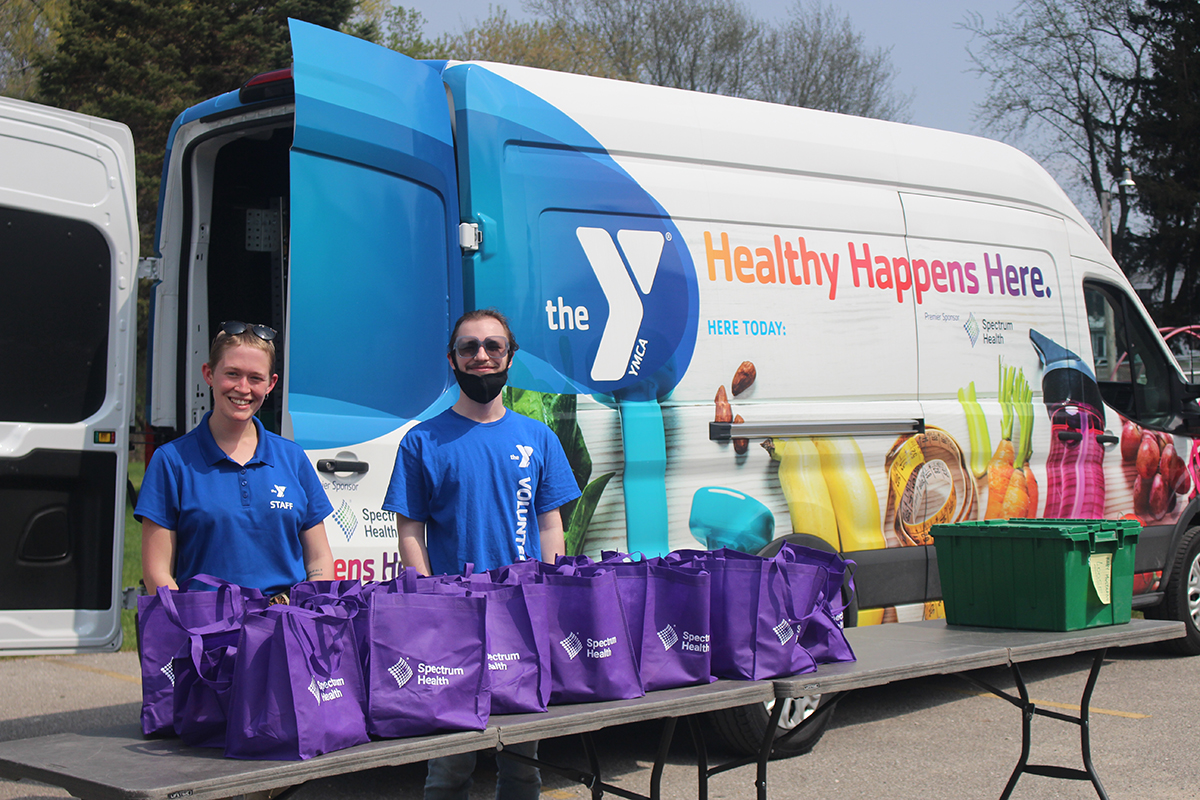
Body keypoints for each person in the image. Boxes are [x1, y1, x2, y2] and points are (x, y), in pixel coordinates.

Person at [383, 308, 581, 800]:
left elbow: (550, 523)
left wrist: (550, 590)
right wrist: (431, 598)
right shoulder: (422, 441)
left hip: (522, 615)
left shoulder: (539, 438)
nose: (482, 356)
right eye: (469, 347)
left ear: (510, 356)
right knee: (450, 764)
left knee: (521, 763)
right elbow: (410, 531)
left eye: (494, 346)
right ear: (452, 359)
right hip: (456, 620)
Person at [137, 321, 334, 598]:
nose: (243, 388)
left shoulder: (293, 458)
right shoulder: (171, 462)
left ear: (270, 384)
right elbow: (157, 572)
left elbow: (319, 559)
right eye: (232, 374)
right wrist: (190, 626)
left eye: (255, 378)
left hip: (285, 628)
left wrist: (307, 612)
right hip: (206, 631)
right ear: (209, 374)